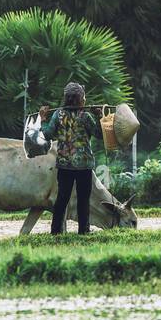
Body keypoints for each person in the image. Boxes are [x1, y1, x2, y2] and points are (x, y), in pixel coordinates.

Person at [39, 82, 99, 234]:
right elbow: (99, 133)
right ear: (81, 100)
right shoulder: (85, 116)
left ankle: (55, 231)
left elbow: (47, 134)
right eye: (83, 98)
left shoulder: (58, 114)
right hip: (84, 165)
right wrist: (98, 116)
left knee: (62, 199)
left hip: (64, 164)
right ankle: (84, 230)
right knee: (83, 199)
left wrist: (43, 119)